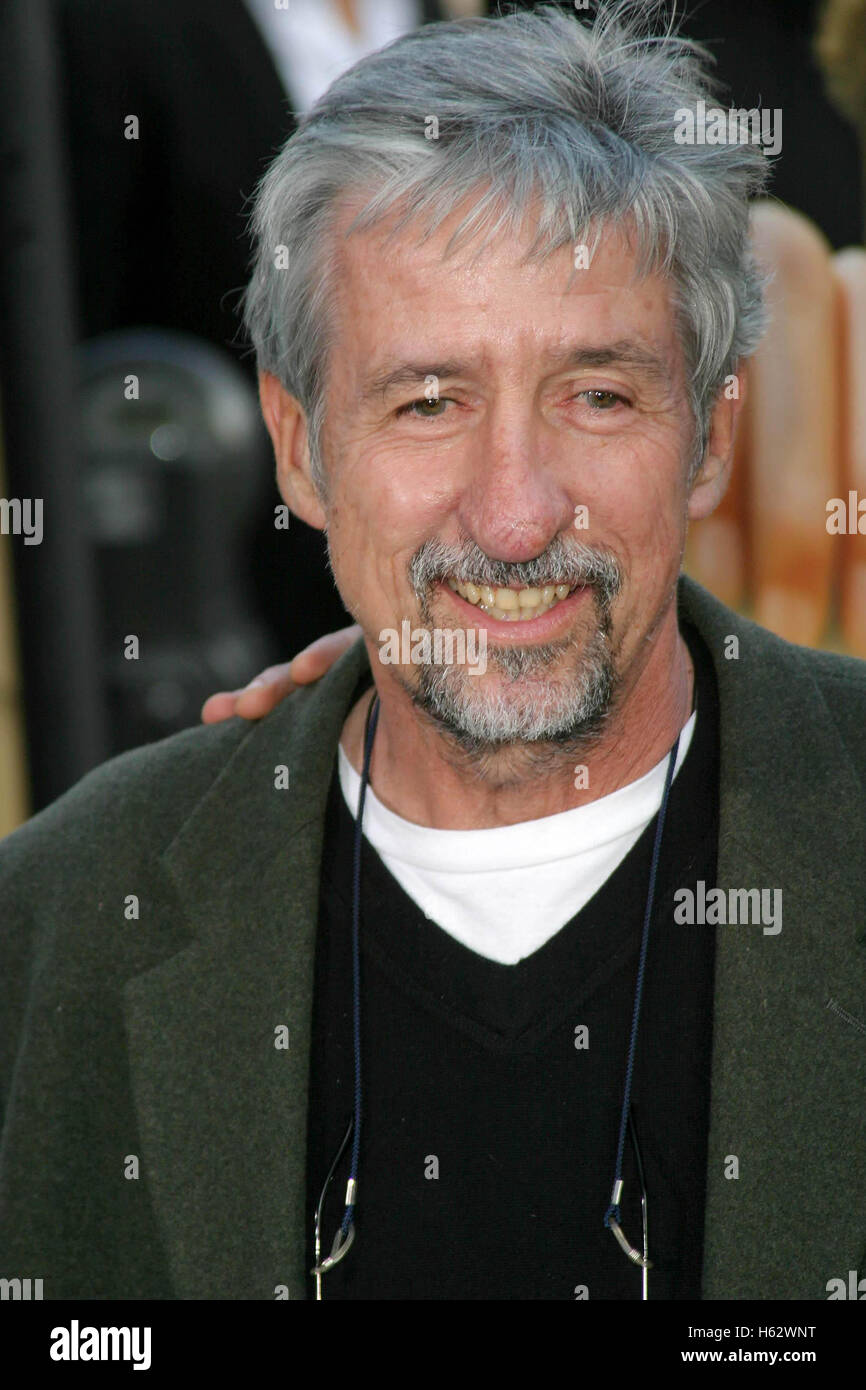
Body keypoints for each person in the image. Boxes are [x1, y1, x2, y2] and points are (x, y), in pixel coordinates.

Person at [2, 2, 866, 1301]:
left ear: (708, 434)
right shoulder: (58, 924)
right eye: (426, 402)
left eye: (596, 395)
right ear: (296, 447)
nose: (513, 511)